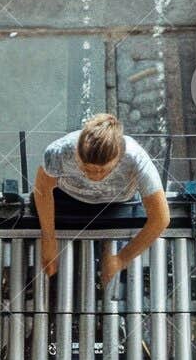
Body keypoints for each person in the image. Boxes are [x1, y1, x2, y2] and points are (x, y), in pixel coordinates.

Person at [34, 112, 171, 285]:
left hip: (116, 207)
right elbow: (43, 190)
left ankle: (107, 252)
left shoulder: (136, 159)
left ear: (118, 156)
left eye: (101, 170)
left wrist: (122, 258)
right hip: (69, 202)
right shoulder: (59, 151)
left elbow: (161, 218)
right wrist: (49, 240)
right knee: (68, 276)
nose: (93, 176)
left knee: (113, 277)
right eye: (86, 169)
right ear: (77, 153)